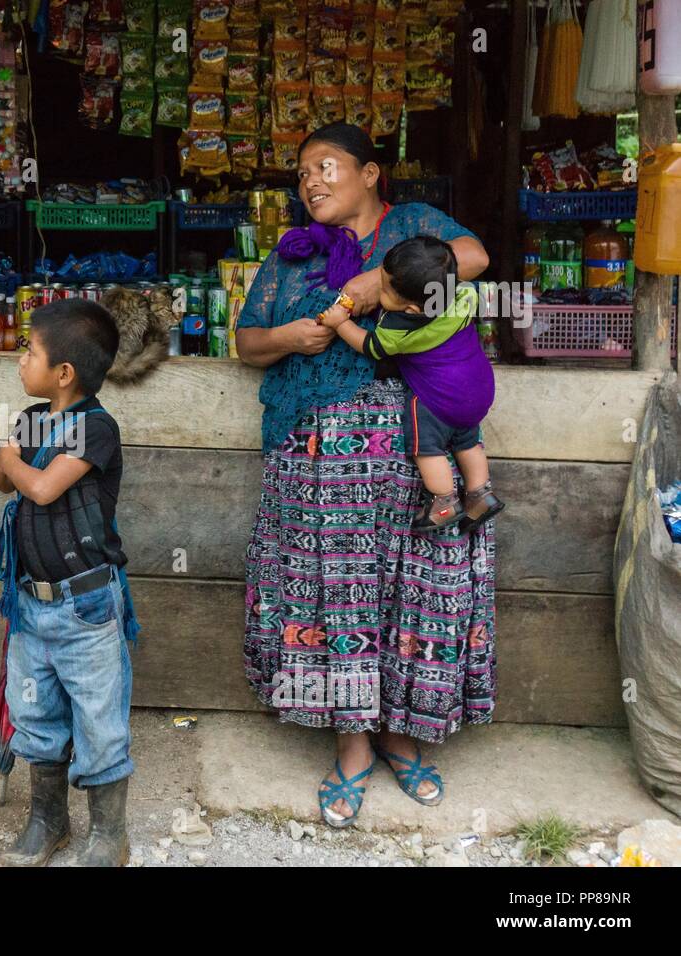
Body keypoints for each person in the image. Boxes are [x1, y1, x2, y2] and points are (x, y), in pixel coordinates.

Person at [235, 123, 495, 828]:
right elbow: (246, 341)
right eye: (301, 175)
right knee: (335, 598)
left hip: (417, 451)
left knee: (412, 594)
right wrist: (292, 337)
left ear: (371, 173)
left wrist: (376, 285)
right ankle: (352, 745)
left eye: (326, 167)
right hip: (315, 464)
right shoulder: (290, 257)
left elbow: (473, 255)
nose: (311, 183)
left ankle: (400, 737)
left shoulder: (411, 226)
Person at [0, 298, 139, 866]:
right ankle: (49, 819)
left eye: (30, 351)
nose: (20, 360)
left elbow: (43, 487)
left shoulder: (97, 430)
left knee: (98, 719)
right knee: (37, 714)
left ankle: (107, 834)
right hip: (30, 606)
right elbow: (8, 483)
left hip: (87, 606)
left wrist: (8, 452)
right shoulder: (29, 421)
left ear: (65, 372)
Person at [318, 235, 505, 533]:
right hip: (479, 388)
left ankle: (444, 501)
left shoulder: (401, 329)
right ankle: (481, 493)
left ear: (413, 310)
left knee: (427, 447)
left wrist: (340, 322)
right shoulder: (463, 294)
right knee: (467, 441)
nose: (380, 288)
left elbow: (371, 346)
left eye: (386, 289)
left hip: (439, 397)